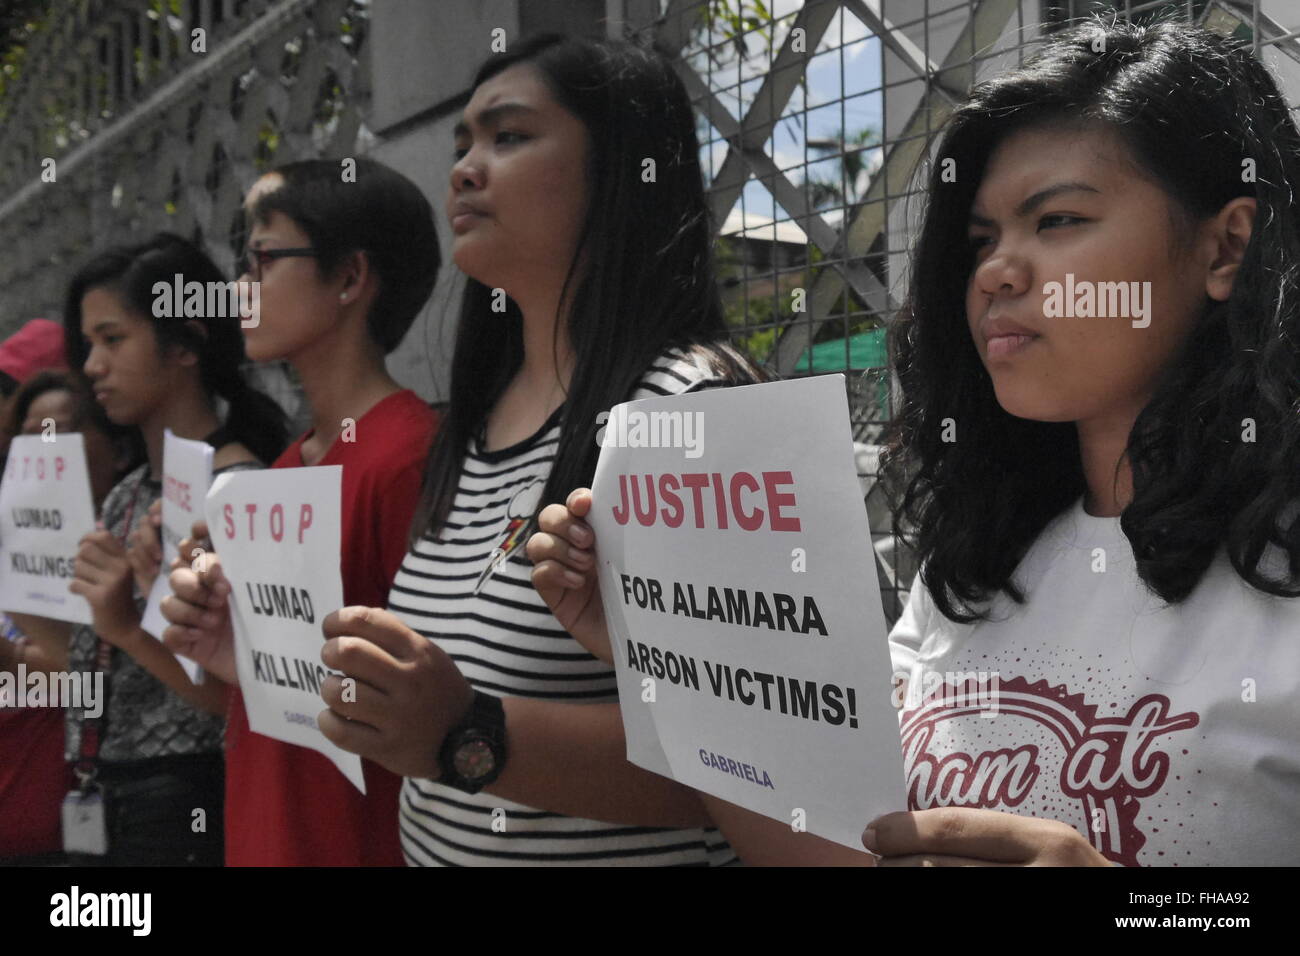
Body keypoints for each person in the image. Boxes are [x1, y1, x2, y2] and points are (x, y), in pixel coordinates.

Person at [531, 18, 1300, 866]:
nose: (998, 271)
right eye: (982, 239)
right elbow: (845, 849)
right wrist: (676, 657)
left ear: (1227, 245)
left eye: (1059, 221)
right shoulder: (973, 563)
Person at [294, 33, 863, 867]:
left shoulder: (686, 412)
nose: (465, 169)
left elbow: (766, 762)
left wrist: (467, 732)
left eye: (510, 136)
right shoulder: (476, 419)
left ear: (622, 169)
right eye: (461, 146)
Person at [160, 157, 442, 866]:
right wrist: (223, 639)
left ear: (349, 278)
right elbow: (284, 693)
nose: (240, 290)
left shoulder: (408, 461)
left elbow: (439, 715)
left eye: (262, 260)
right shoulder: (287, 469)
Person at [57, 232, 289, 865]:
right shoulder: (127, 492)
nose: (92, 366)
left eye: (112, 339)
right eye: (87, 345)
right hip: (107, 799)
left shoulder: (239, 490)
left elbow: (251, 695)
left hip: (187, 805)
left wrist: (130, 628)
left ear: (186, 340)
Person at [0, 370, 134, 864]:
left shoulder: (130, 550)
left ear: (117, 451)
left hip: (93, 820)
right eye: (26, 438)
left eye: (55, 434)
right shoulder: (10, 546)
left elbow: (108, 684)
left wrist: (18, 659)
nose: (38, 453)